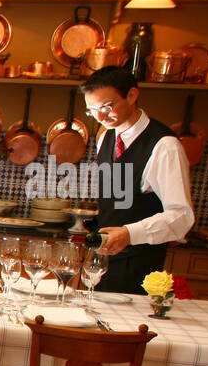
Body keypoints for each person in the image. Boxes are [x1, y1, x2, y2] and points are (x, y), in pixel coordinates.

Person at [78, 66, 194, 293]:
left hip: (139, 266)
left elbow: (181, 217)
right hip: (102, 261)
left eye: (106, 107)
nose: (100, 117)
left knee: (127, 328)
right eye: (92, 111)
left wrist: (130, 233)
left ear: (131, 96)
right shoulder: (105, 137)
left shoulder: (164, 146)